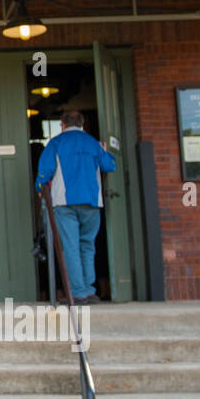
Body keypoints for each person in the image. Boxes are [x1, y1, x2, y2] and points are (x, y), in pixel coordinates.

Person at [35, 109, 117, 304]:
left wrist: (39, 189)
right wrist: (103, 150)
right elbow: (110, 166)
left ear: (62, 124)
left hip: (64, 203)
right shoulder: (92, 143)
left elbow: (44, 172)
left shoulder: (56, 143)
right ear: (82, 124)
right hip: (91, 202)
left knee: (70, 248)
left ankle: (78, 293)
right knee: (87, 246)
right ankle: (89, 291)